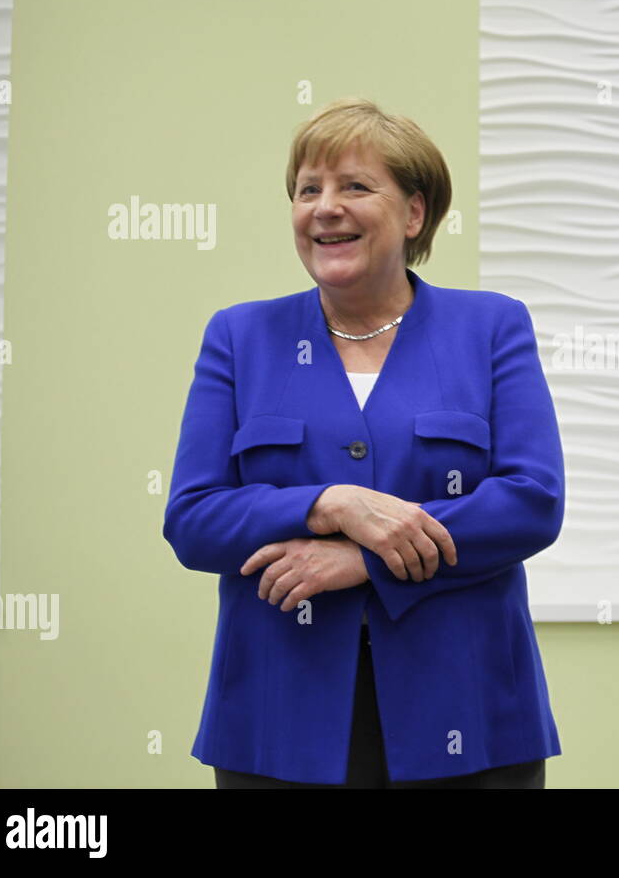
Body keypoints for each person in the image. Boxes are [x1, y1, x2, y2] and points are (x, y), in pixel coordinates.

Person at [162, 98, 565, 788]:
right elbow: (194, 519)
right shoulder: (239, 336)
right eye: (307, 189)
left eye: (354, 186)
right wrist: (329, 503)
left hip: (468, 720)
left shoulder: (491, 326)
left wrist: (365, 561)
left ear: (413, 214)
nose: (325, 207)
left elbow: (531, 502)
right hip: (278, 727)